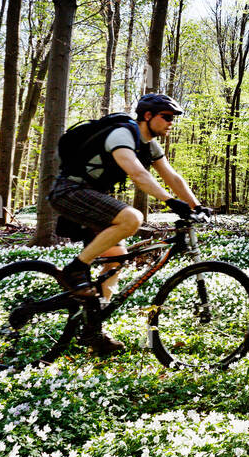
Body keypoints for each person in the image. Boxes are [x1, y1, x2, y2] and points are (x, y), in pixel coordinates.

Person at [47, 93, 204, 355]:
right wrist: (168, 201)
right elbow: (136, 172)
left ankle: (92, 329)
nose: (170, 123)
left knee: (116, 257)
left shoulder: (149, 146)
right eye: (166, 117)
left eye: (173, 119)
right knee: (132, 218)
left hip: (90, 196)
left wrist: (196, 206)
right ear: (147, 116)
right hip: (70, 192)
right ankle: (74, 270)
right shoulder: (123, 134)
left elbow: (173, 177)